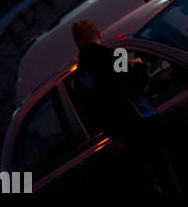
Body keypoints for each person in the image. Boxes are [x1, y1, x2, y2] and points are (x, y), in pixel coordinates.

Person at [71, 18, 177, 193]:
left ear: (76, 43)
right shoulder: (113, 56)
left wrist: (114, 134)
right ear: (98, 33)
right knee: (166, 177)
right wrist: (140, 66)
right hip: (142, 123)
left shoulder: (79, 77)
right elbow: (138, 84)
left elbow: (91, 114)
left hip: (122, 137)